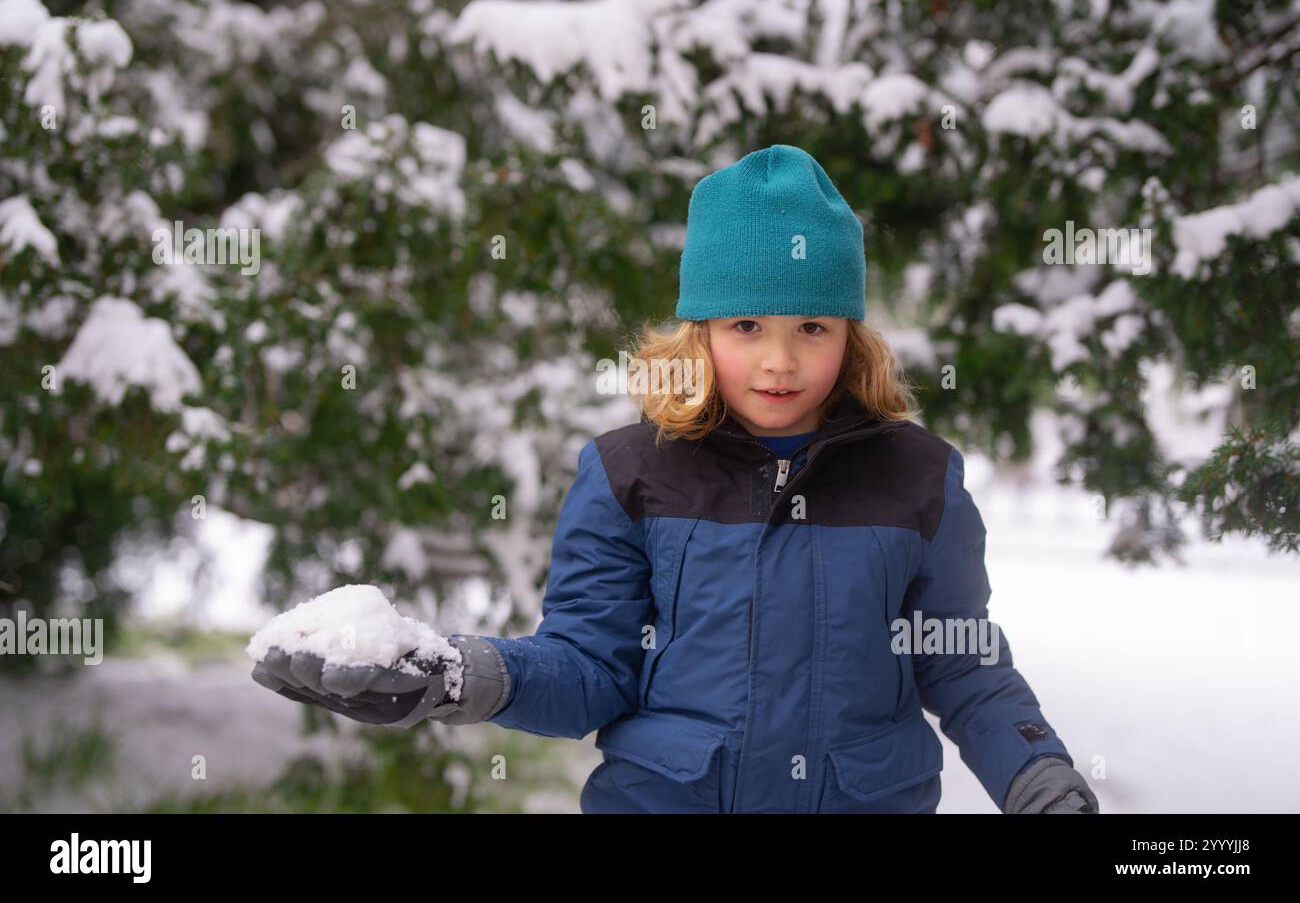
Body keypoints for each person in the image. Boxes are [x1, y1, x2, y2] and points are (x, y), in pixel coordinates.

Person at [251, 144, 1100, 815]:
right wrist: (452, 676)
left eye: (812, 324)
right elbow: (589, 665)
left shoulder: (920, 477)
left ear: (852, 334)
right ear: (700, 334)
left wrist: (1041, 780)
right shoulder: (629, 472)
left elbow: (960, 665)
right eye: (745, 324)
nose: (779, 359)